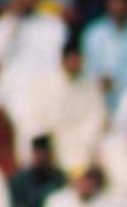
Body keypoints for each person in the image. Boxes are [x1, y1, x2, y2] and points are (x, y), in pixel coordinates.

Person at [16, 42, 107, 174]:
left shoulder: (90, 87)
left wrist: (83, 142)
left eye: (78, 60)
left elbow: (96, 120)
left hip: (81, 145)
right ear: (63, 60)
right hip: (50, 142)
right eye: (71, 60)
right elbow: (35, 118)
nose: (75, 64)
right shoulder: (44, 84)